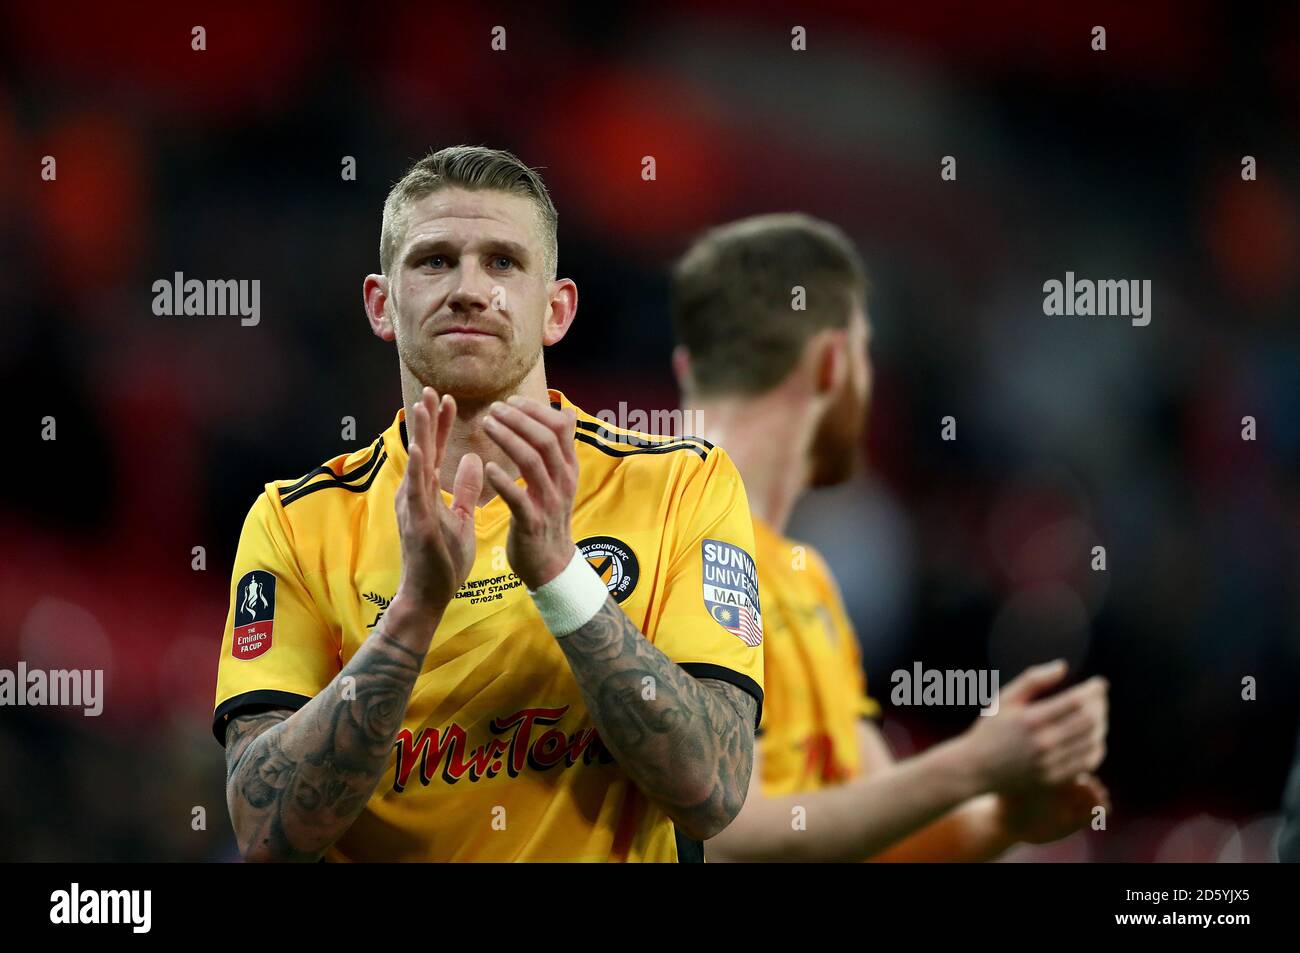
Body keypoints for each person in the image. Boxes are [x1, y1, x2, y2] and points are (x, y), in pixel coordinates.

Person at [212, 146, 764, 862]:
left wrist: (564, 577)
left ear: (556, 309)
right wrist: (413, 613)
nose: (469, 289)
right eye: (435, 260)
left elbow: (714, 791)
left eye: (503, 262)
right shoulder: (293, 522)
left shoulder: (682, 486)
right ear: (383, 304)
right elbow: (266, 831)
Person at [670, 213, 1109, 861]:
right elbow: (726, 828)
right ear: (831, 364)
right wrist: (970, 766)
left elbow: (869, 825)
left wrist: (1002, 817)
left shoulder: (803, 577)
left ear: (686, 366)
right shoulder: (669, 539)